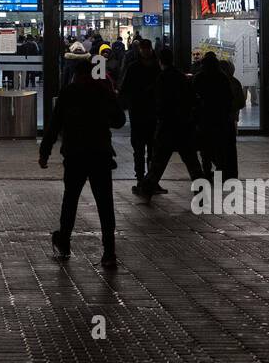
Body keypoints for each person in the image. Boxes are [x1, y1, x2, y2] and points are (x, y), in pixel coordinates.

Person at [39, 52, 126, 269]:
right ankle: (109, 251)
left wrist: (45, 152)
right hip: (100, 154)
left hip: (75, 154)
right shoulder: (102, 91)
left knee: (70, 200)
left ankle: (65, 241)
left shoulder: (69, 92)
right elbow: (118, 121)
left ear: (75, 75)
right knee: (105, 203)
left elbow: (54, 125)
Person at [138, 45, 203, 195]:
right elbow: (193, 98)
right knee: (191, 160)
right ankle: (200, 188)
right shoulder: (181, 77)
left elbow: (156, 100)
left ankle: (147, 187)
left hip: (167, 125)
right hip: (184, 125)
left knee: (159, 161)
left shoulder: (162, 78)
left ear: (160, 61)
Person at [118, 39, 161, 192]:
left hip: (143, 113)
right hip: (145, 113)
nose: (145, 51)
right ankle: (144, 179)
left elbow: (124, 89)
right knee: (145, 148)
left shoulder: (135, 67)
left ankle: (147, 179)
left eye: (146, 48)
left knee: (146, 149)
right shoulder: (155, 67)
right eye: (143, 48)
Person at [193, 53, 238, 180]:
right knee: (219, 149)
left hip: (203, 119)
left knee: (205, 150)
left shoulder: (199, 77)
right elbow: (228, 98)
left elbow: (193, 97)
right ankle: (219, 174)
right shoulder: (222, 78)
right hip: (219, 118)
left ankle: (206, 173)